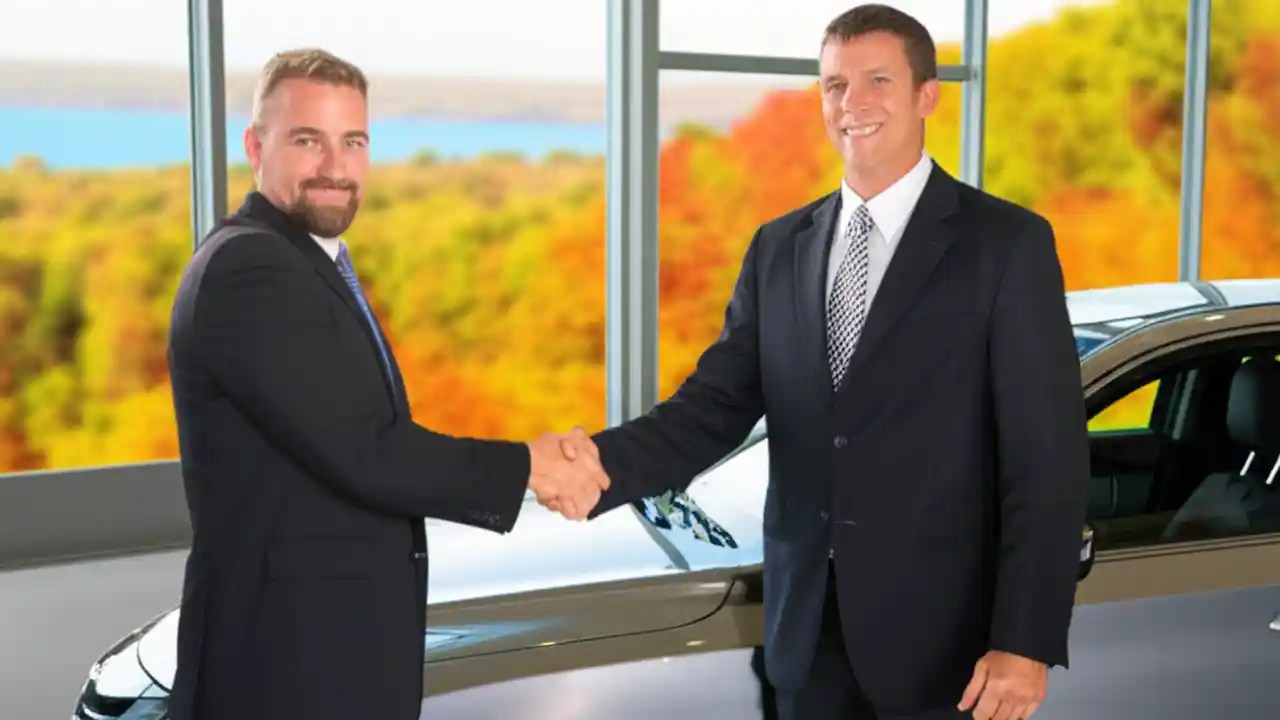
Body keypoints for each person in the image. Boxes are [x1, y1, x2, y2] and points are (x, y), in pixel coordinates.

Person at [552, 5, 1089, 719]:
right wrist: (593, 466)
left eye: (876, 80)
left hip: (949, 653)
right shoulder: (778, 247)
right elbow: (710, 410)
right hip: (805, 640)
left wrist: (1025, 641)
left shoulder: (1006, 245)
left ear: (927, 96)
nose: (852, 104)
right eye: (834, 84)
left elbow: (1046, 460)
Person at [165, 48, 607, 720]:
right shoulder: (252, 270)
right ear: (256, 146)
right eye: (307, 140)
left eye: (354, 141)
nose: (336, 168)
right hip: (286, 671)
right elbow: (368, 450)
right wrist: (530, 466)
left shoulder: (306, 261)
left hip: (322, 658)